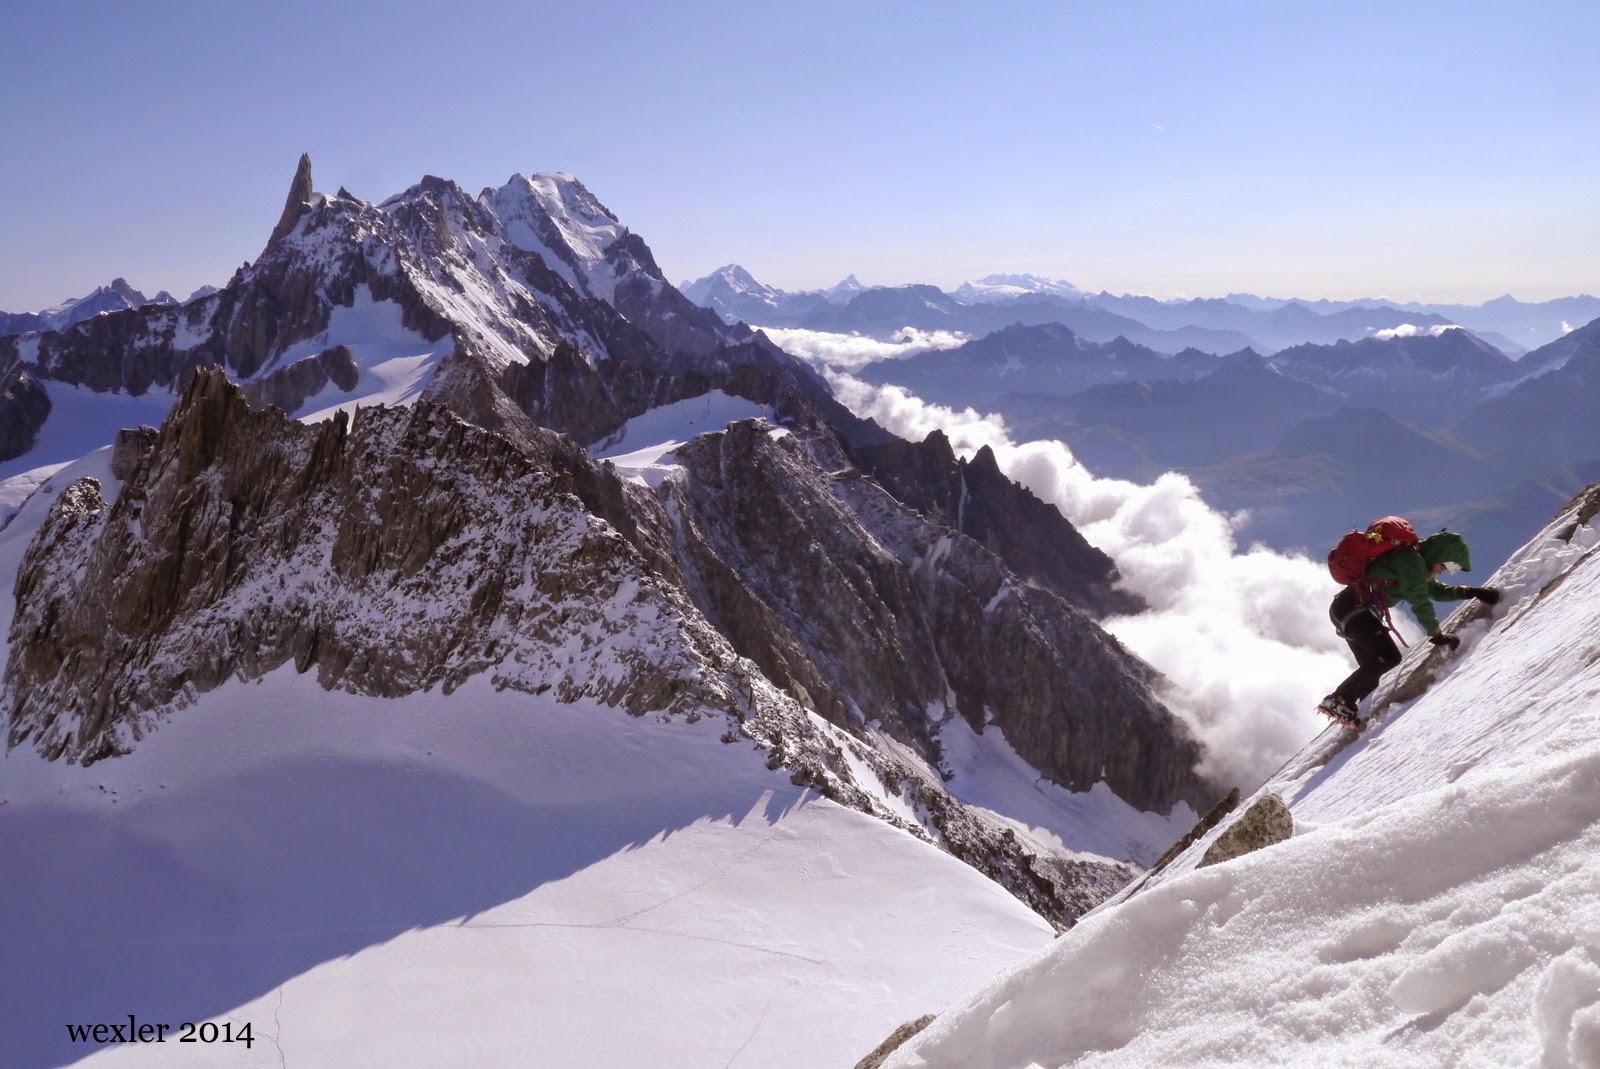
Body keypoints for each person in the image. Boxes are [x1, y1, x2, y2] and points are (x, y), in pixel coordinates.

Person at [1317, 530, 1501, 725]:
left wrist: (1471, 592)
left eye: (1452, 569)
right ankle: (1338, 699)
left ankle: (1357, 713)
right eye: (1449, 565)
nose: (1445, 571)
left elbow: (1437, 591)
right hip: (1353, 611)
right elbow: (1420, 600)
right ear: (1440, 554)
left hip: (1347, 611)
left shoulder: (1415, 564)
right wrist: (1437, 635)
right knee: (1389, 658)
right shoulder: (1411, 562)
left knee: (1374, 667)